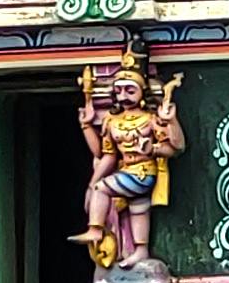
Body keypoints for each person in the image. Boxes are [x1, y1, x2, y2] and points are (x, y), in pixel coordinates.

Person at [78, 44, 183, 269]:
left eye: (130, 90)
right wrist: (87, 126)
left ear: (142, 92)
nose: (124, 96)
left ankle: (95, 228)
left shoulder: (151, 120)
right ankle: (140, 250)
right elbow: (104, 155)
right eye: (119, 91)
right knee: (138, 209)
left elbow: (174, 148)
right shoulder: (112, 122)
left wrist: (153, 149)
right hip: (126, 170)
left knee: (103, 189)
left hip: (144, 172)